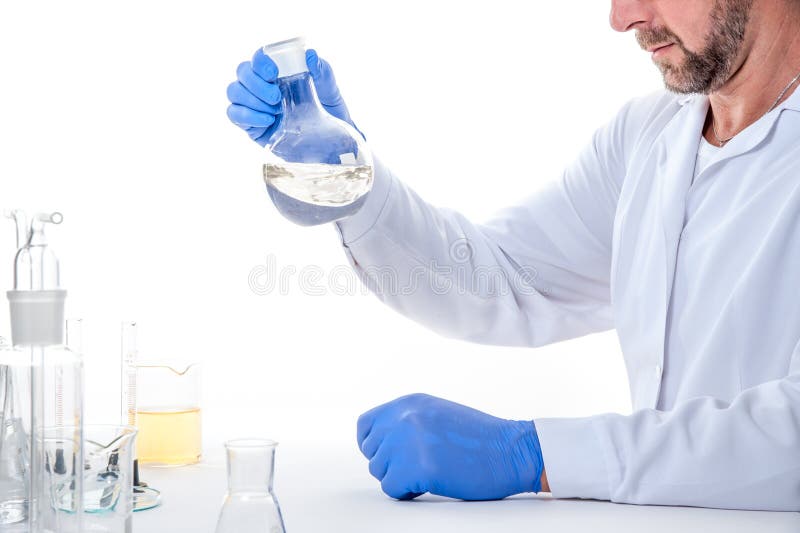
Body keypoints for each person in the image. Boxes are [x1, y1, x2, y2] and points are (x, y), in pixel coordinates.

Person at [226, 0, 800, 511]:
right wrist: (355, 176)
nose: (623, 17)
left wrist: (537, 453)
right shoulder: (652, 135)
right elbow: (498, 279)